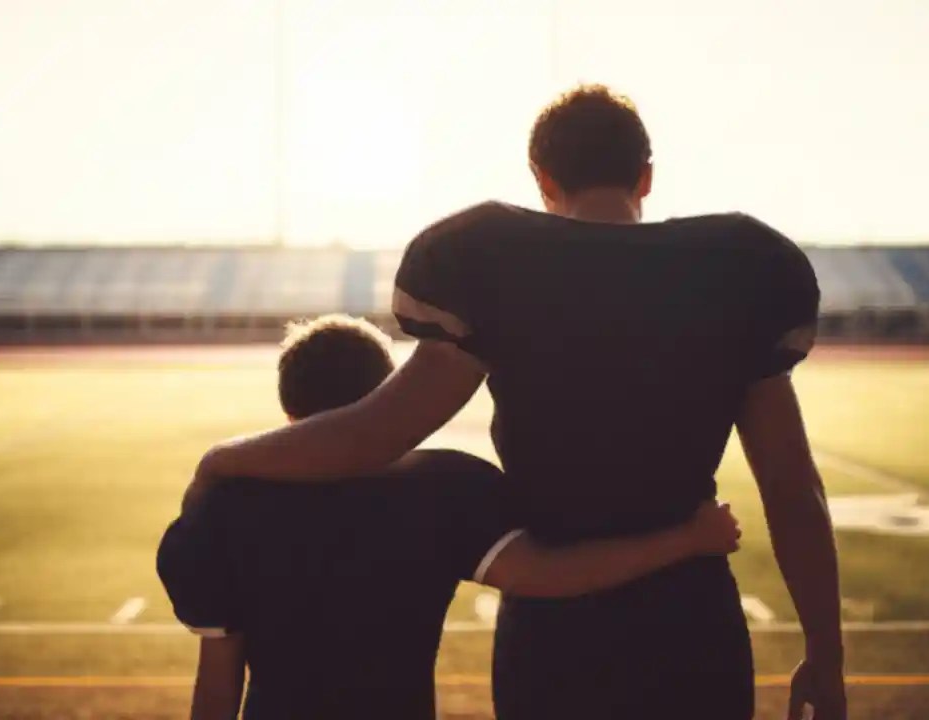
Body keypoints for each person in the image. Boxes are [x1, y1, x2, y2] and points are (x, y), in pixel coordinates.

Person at [189, 85, 846, 719]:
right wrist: (825, 654)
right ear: (646, 176)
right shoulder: (737, 271)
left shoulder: (492, 264)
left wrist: (225, 458)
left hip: (557, 639)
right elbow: (793, 489)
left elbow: (374, 435)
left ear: (542, 178)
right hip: (691, 625)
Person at [160, 315, 744, 720]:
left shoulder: (225, 507)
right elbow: (552, 574)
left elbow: (219, 678)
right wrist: (688, 538)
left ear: (289, 410)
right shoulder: (440, 487)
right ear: (388, 402)